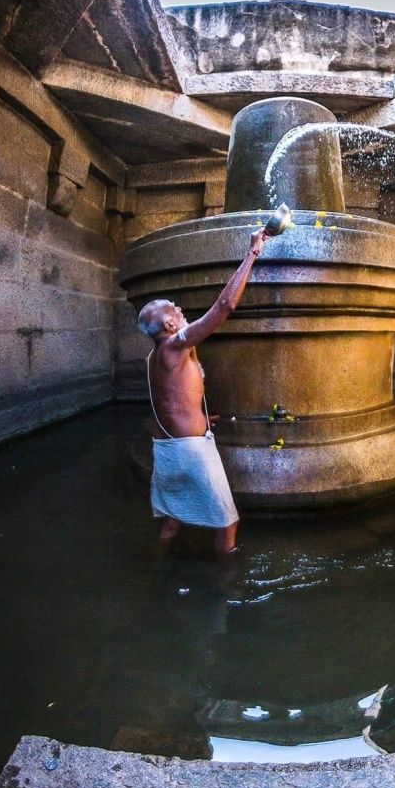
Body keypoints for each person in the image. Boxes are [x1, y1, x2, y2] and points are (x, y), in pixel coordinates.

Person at [137, 228, 270, 554]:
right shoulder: (174, 345)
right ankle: (222, 589)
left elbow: (170, 399)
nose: (178, 307)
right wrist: (252, 252)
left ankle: (156, 567)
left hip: (168, 449)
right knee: (227, 523)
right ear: (169, 325)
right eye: (172, 308)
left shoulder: (155, 355)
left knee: (172, 519)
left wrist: (198, 416)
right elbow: (224, 306)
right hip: (190, 451)